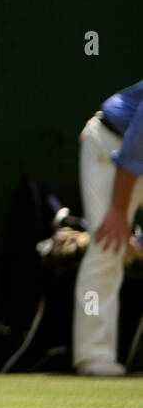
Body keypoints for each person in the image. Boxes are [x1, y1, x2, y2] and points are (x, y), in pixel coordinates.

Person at [72, 79, 143, 376]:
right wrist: (118, 210)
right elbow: (137, 144)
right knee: (108, 245)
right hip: (111, 146)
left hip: (132, 153)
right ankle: (94, 355)